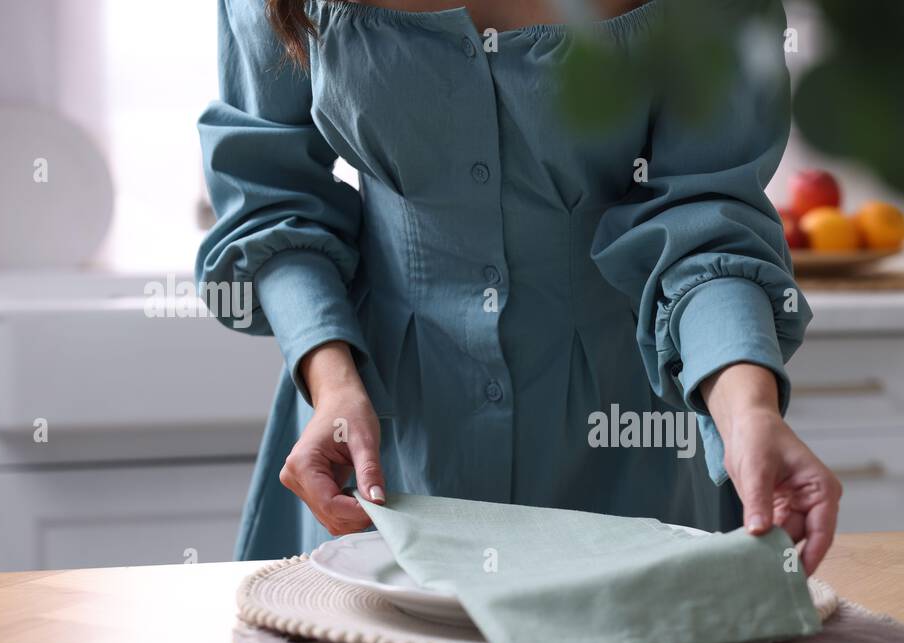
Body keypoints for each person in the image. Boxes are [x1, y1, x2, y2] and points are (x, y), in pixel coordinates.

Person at [196, 0, 841, 573]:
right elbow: (274, 196)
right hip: (376, 447)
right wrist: (332, 382)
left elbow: (705, 220)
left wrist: (747, 410)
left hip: (628, 446)